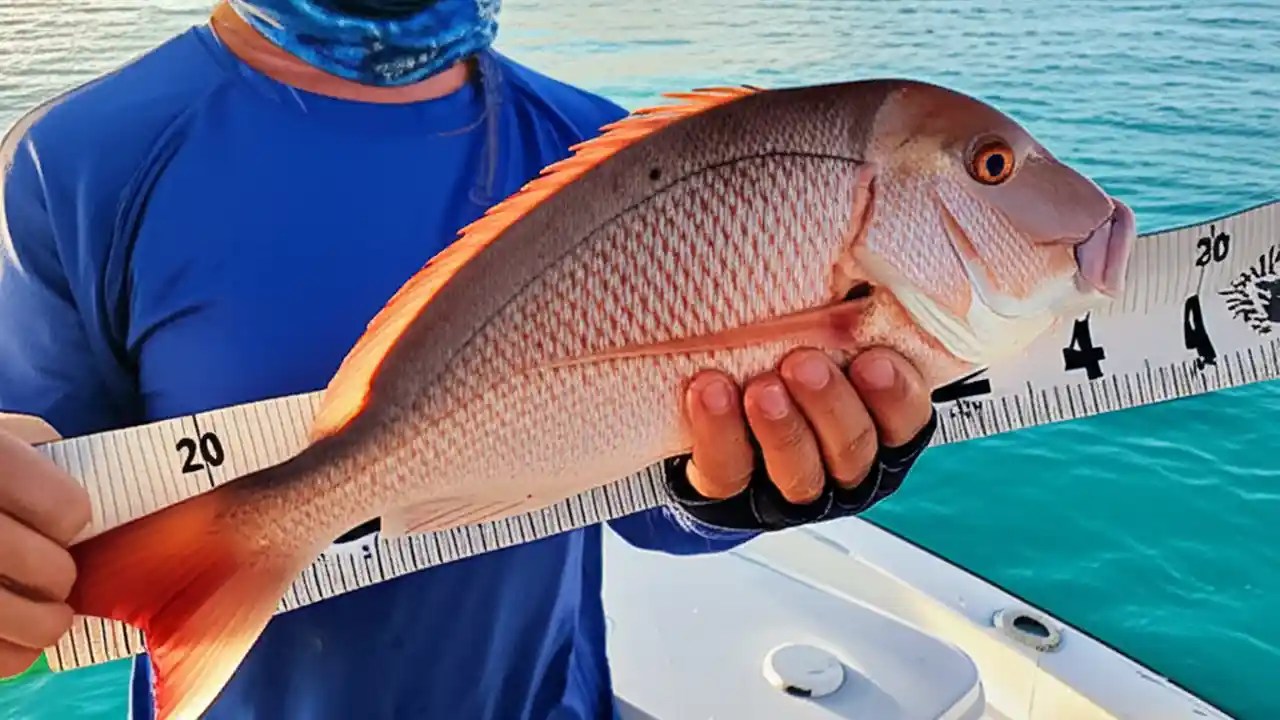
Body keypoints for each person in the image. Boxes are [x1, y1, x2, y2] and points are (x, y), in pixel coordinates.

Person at [0, 1, 938, 718]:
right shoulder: (75, 162)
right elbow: (63, 523)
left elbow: (655, 516)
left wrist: (754, 485)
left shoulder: (609, 151)